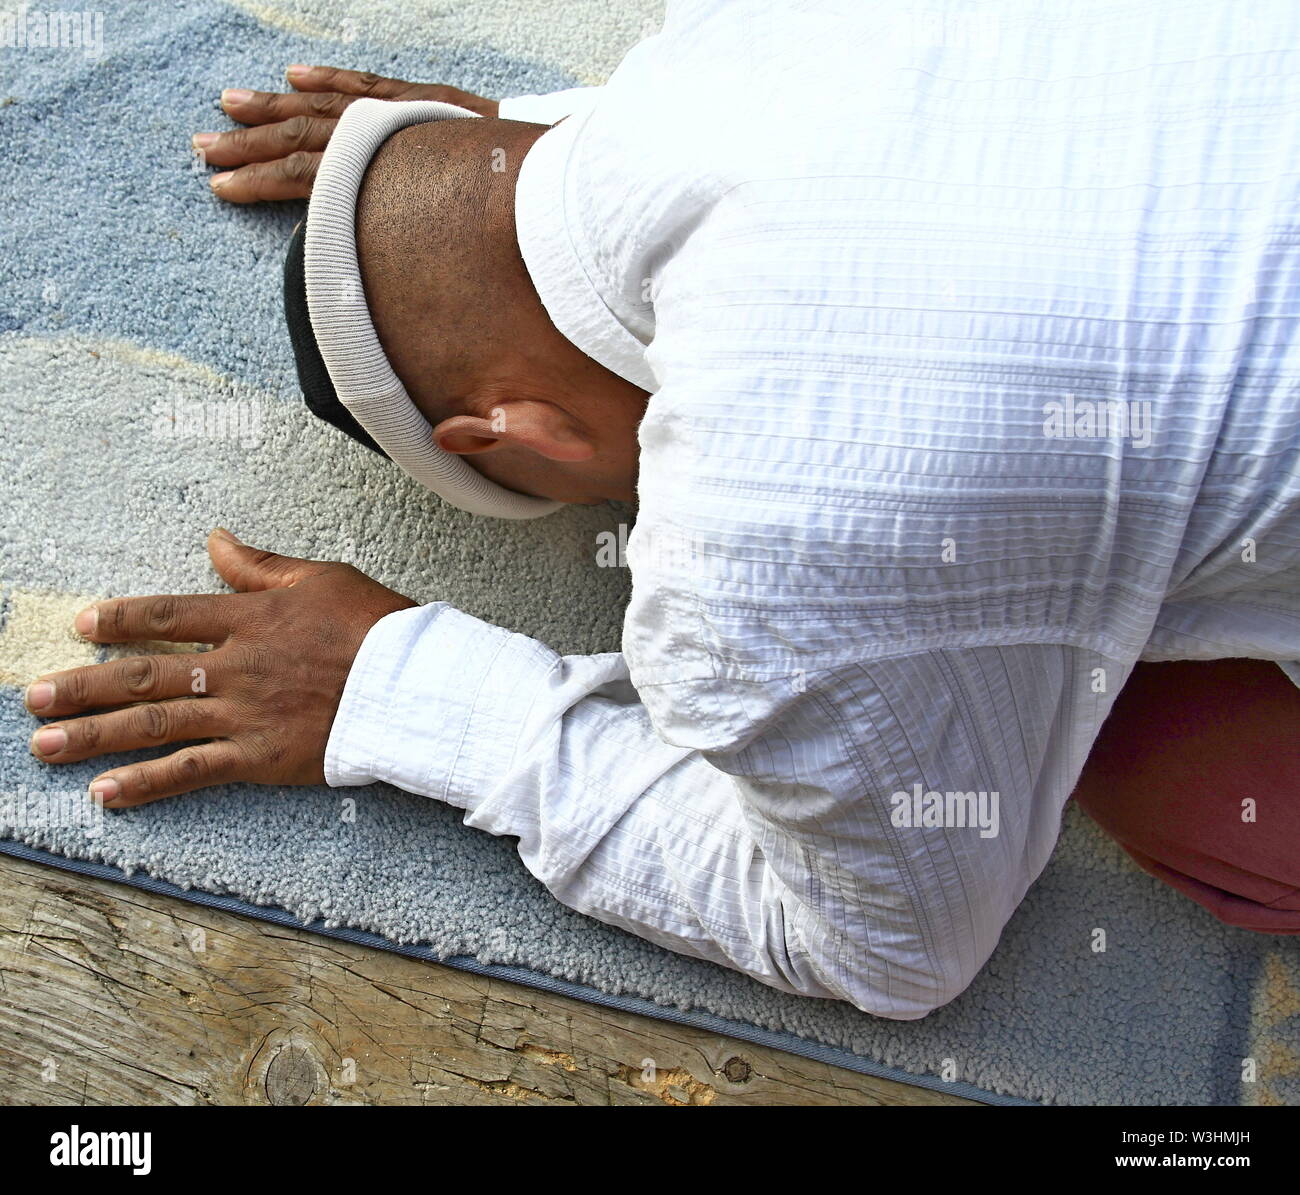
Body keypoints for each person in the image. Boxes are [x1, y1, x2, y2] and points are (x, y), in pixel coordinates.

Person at [25, 1, 1300, 1018]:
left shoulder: (755, 569)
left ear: (511, 434)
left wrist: (400, 688)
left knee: (1195, 802)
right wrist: (490, 165)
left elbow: (895, 949)